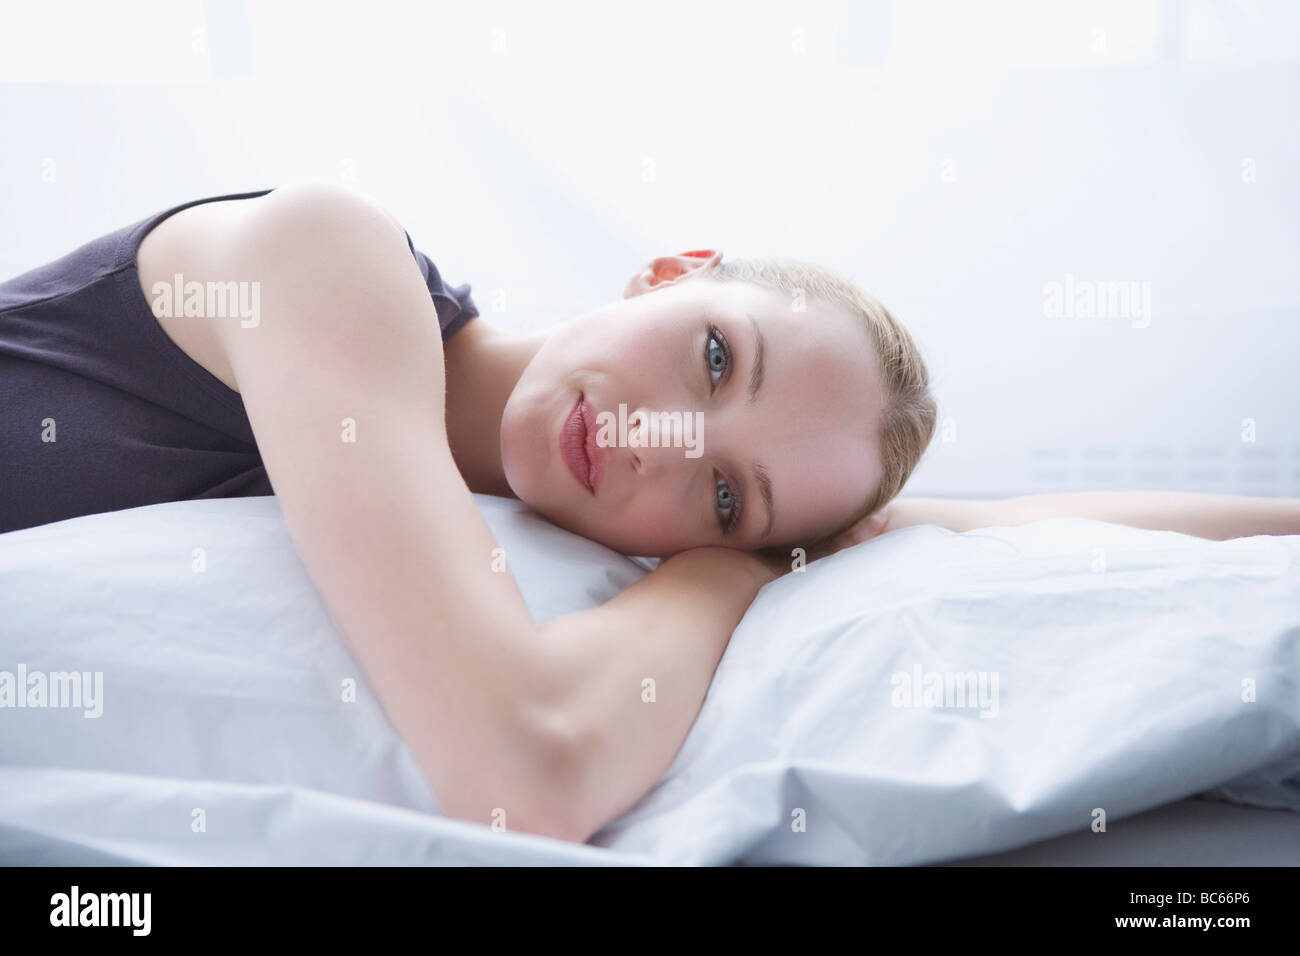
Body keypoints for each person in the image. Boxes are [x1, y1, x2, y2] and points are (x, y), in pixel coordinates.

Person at [2, 181, 1295, 843]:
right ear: (672, 270)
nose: (662, 440)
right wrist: (732, 571)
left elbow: (982, 531)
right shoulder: (327, 256)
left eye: (726, 493)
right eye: (718, 359)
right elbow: (525, 780)